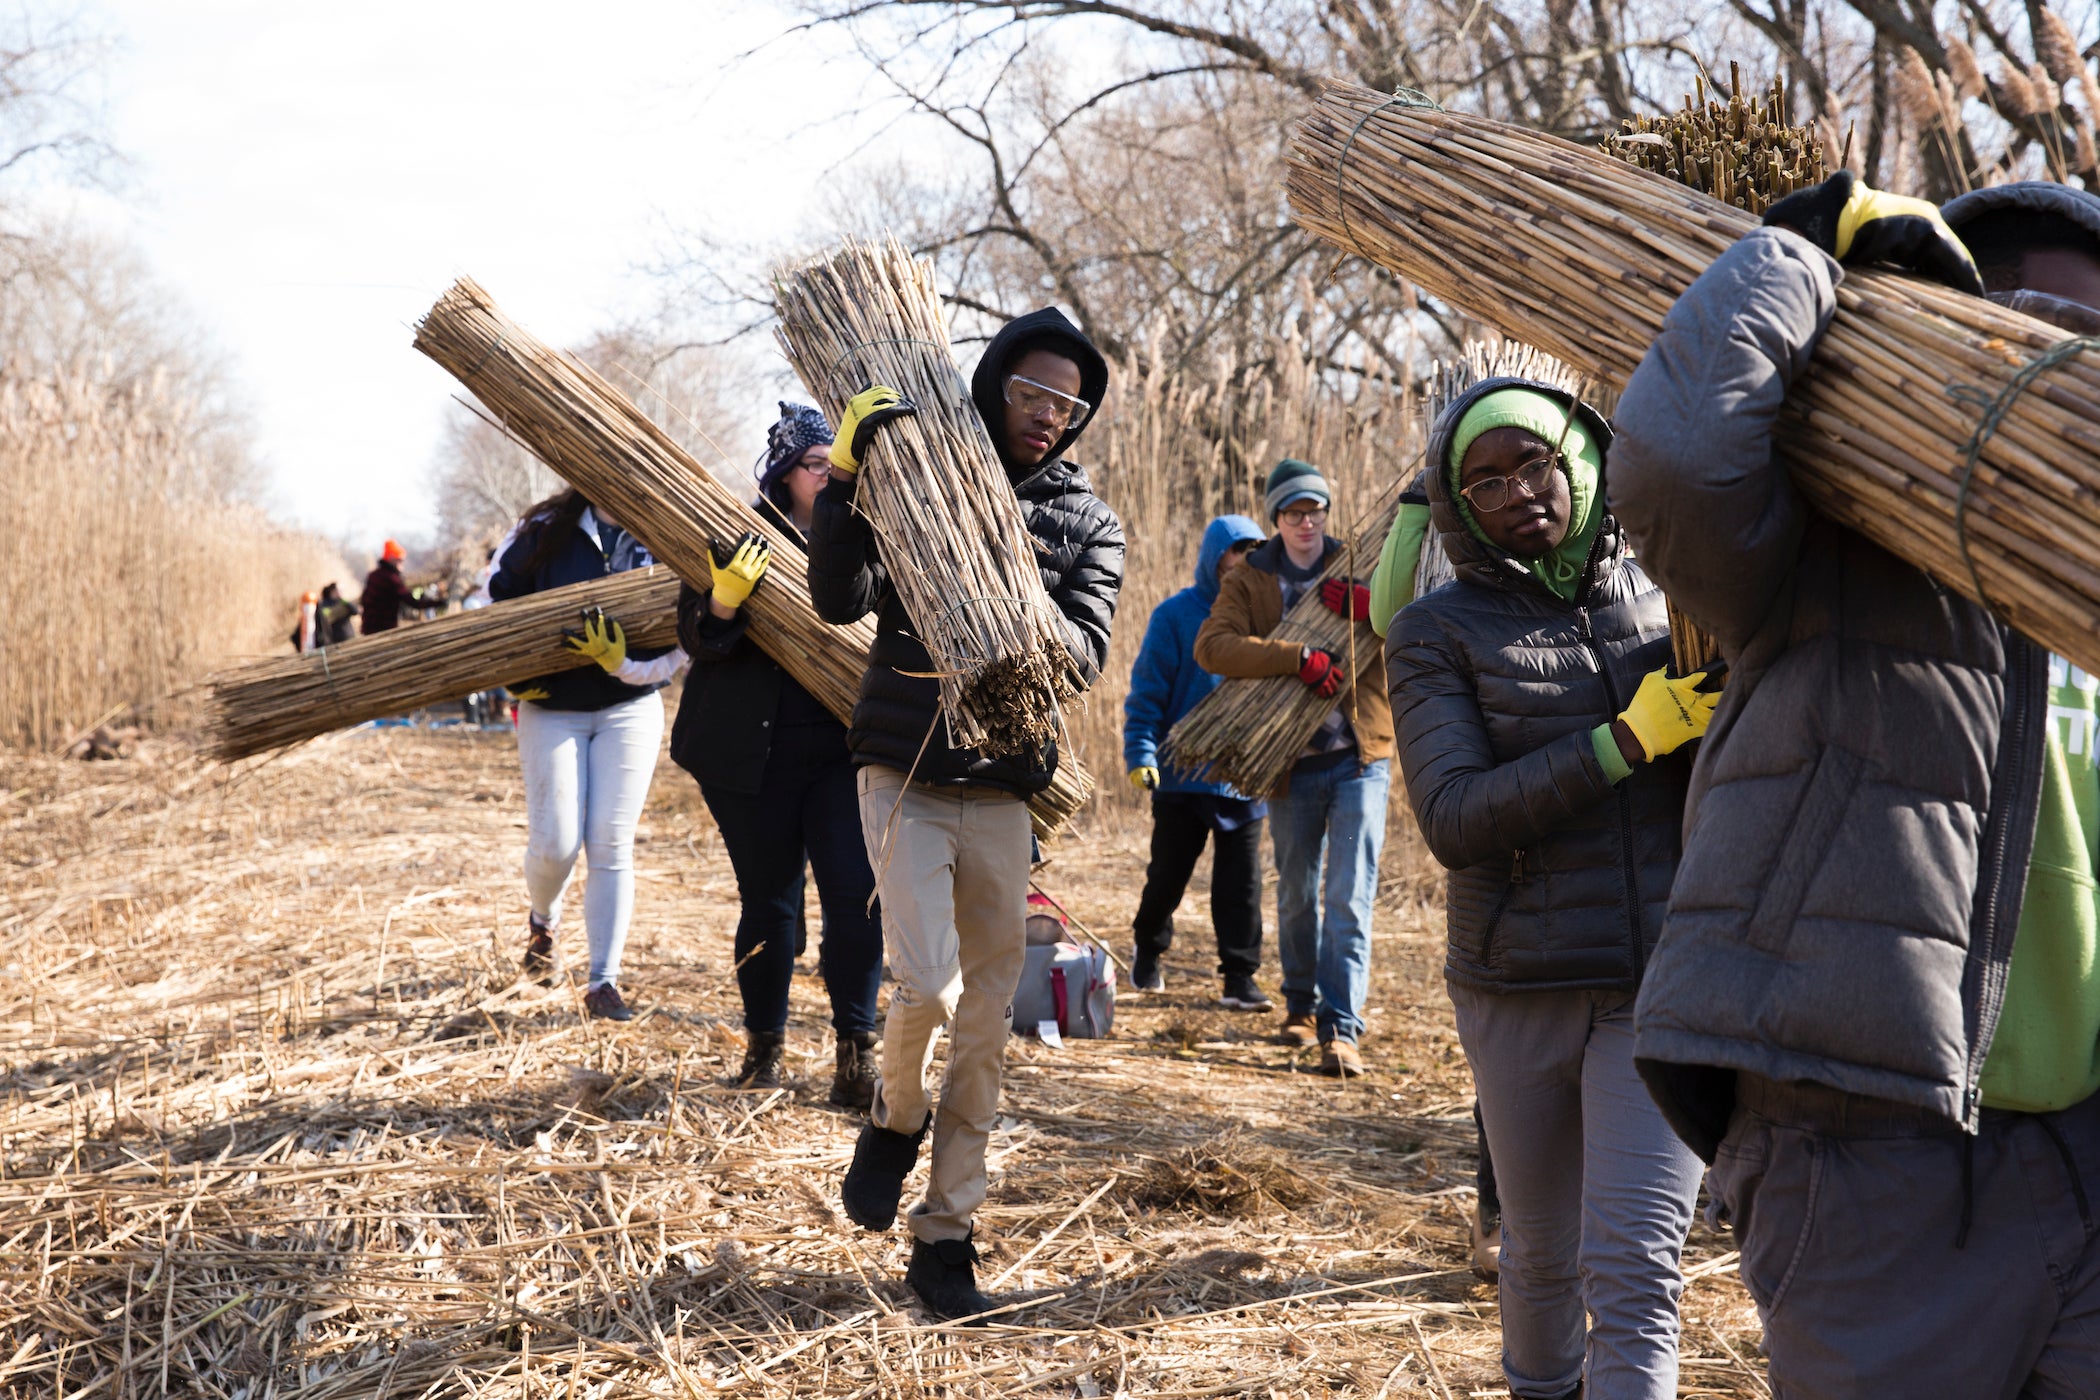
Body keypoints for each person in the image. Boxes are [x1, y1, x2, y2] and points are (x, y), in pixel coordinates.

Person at [1611, 174, 2100, 1397]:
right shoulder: (1840, 539)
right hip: (1875, 1145)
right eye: (2028, 322)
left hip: (2086, 1143)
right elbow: (1676, 469)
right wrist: (1797, 252)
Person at [1387, 375, 1713, 1400]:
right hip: (1515, 979)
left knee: (1635, 1267)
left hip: (1658, 983)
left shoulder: (1683, 597)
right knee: (1540, 1252)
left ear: (1582, 455)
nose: (1516, 489)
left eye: (1533, 460)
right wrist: (1624, 741)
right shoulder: (1436, 631)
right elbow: (1454, 816)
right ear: (1458, 508)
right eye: (1483, 480)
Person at [810, 308, 1123, 1320]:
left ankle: (946, 1234)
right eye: (1031, 392)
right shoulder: (924, 473)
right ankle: (894, 1120)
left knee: (985, 1027)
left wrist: (998, 600)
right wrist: (850, 482)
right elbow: (836, 595)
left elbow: (1084, 650)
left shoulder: (1089, 521)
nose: (1046, 415)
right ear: (994, 385)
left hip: (1000, 782)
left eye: (1066, 405)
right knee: (929, 985)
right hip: (898, 764)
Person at [669, 403, 885, 1109]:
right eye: (814, 465)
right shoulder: (738, 534)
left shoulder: (872, 534)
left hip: (840, 752)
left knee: (855, 897)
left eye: (834, 463)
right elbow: (698, 639)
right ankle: (763, 1051)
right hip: (745, 754)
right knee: (770, 906)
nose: (825, 476)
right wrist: (724, 602)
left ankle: (857, 1057)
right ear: (784, 474)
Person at [1193, 458, 1393, 1077]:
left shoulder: (1364, 561)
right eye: (1293, 512)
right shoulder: (1251, 578)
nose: (1307, 522)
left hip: (1358, 757)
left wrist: (1371, 609)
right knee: (1301, 897)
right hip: (1290, 765)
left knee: (1349, 897)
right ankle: (1300, 1008)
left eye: (1316, 510)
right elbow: (1213, 647)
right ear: (1276, 519)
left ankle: (1343, 1028)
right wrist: (1295, 657)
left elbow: (1420, 625)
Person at [488, 491, 688, 1022]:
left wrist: (625, 666)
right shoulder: (542, 531)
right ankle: (543, 921)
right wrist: (516, 675)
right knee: (555, 844)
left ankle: (603, 982)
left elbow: (686, 637)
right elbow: (489, 609)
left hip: (631, 706)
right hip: (551, 707)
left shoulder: (661, 534)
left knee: (610, 840)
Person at [1368, 470, 1495, 1281]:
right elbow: (1391, 617)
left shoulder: (1610, 569)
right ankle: (1500, 1216)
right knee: (1513, 1064)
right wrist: (1415, 509)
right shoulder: (1447, 602)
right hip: (1495, 837)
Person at [1122, 514, 1271, 1008]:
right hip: (1181, 774)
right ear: (1214, 557)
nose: (1243, 562)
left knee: (1241, 885)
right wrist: (1142, 752)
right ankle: (1148, 950)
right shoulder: (1174, 615)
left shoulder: (1268, 614)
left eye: (1253, 552)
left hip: (1242, 777)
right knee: (1167, 875)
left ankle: (1239, 977)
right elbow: (1148, 692)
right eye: (1235, 551)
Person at [360, 540, 416, 635]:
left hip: (370, 628)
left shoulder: (373, 575)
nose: (402, 563)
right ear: (392, 558)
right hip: (385, 629)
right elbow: (411, 601)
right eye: (400, 560)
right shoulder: (392, 579)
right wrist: (437, 602)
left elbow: (364, 600)